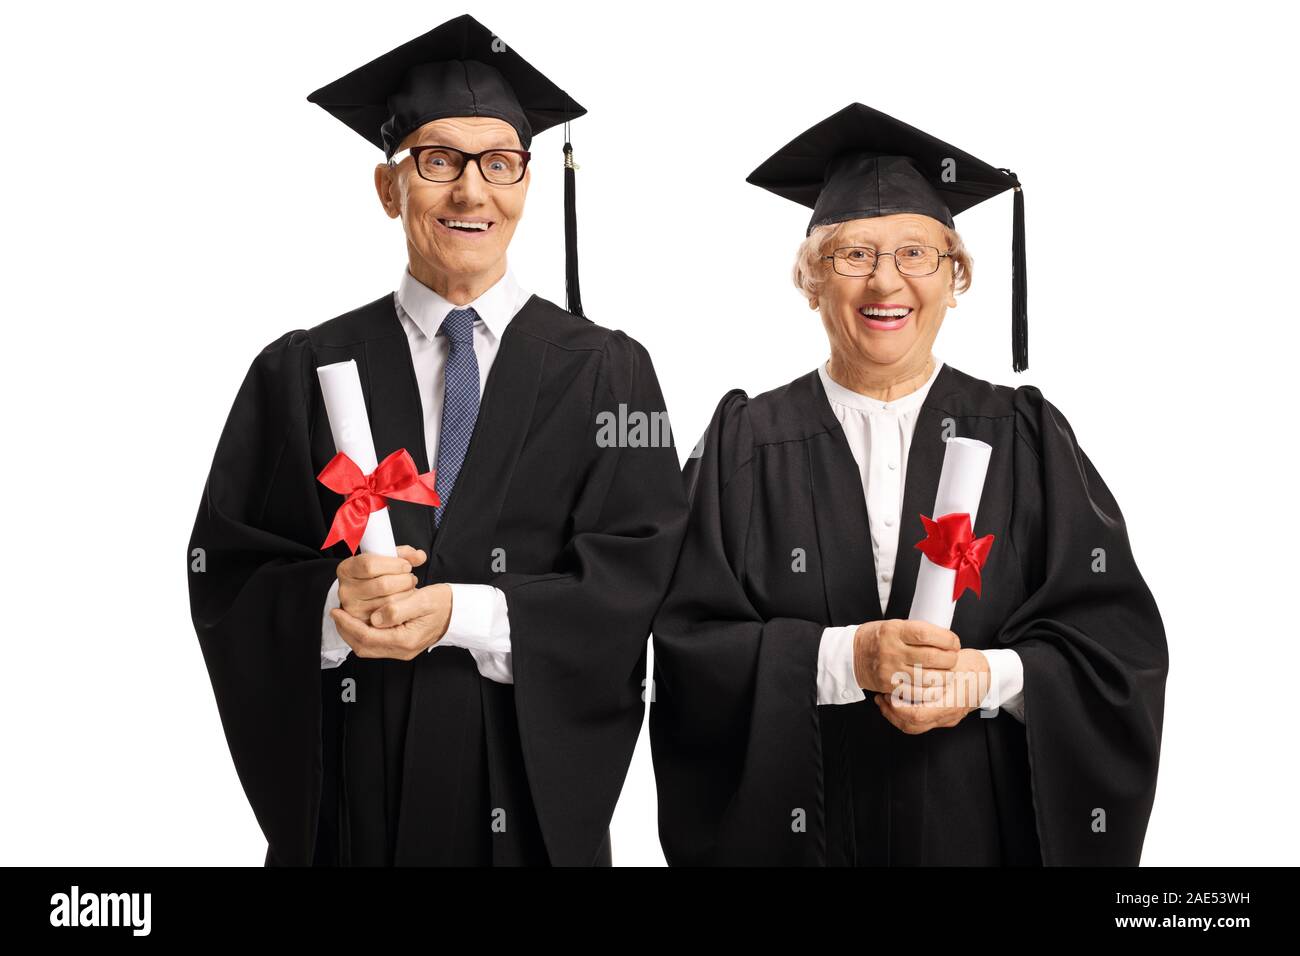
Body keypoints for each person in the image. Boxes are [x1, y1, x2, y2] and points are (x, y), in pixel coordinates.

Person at [186, 14, 688, 866]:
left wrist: (464, 611)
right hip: (351, 804)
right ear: (389, 189)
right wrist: (331, 610)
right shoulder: (301, 369)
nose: (471, 192)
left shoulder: (613, 374)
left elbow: (642, 577)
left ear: (527, 184)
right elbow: (228, 574)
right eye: (436, 161)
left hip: (523, 807)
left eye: (500, 163)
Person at [649, 103, 1168, 865]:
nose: (885, 281)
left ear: (955, 278)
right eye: (853, 254)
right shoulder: (743, 444)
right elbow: (686, 651)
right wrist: (846, 660)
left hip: (979, 840)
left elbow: (1116, 651)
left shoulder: (1026, 436)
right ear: (810, 280)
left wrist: (988, 676)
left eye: (917, 255)